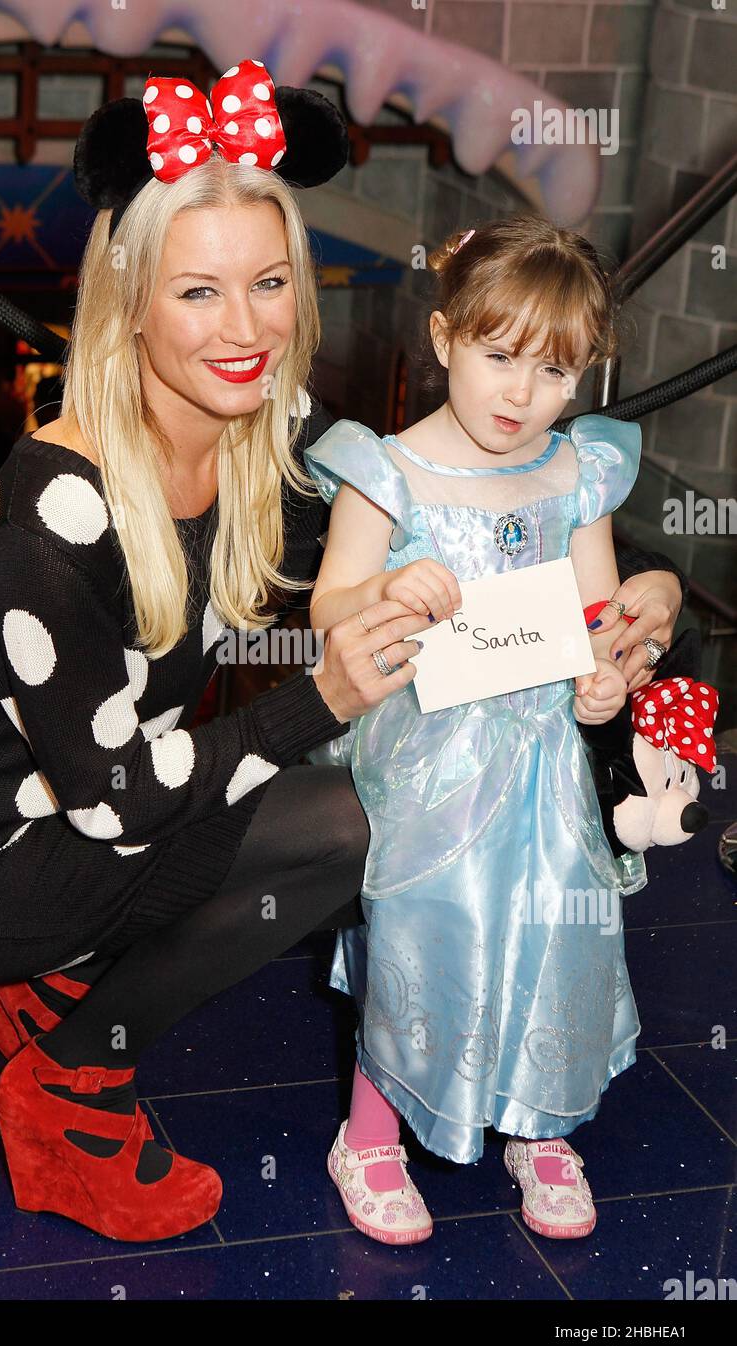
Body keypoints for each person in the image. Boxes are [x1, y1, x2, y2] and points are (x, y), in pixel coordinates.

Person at [0, 74, 684, 1249]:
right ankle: (73, 1081)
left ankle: (49, 981)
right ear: (131, 301)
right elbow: (120, 798)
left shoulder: (253, 449)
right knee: (354, 825)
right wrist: (321, 700)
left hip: (71, 821)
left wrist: (644, 584)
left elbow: (460, 508)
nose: (245, 328)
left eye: (270, 282)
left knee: (337, 809)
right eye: (199, 291)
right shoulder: (57, 503)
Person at [304, 213, 686, 1246]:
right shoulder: (385, 470)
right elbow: (327, 608)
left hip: (546, 746)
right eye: (499, 355)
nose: (523, 394)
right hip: (426, 744)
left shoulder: (578, 472)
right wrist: (386, 584)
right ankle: (372, 1129)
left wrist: (608, 677)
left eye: (557, 371)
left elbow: (596, 612)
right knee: (428, 921)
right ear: (442, 340)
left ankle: (540, 1116)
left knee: (559, 923)